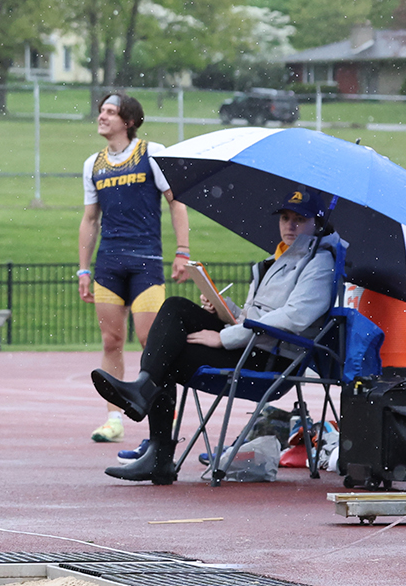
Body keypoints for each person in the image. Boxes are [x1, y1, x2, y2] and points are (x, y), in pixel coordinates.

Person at [91, 188, 341, 485]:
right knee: (176, 309)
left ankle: (156, 447)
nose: (289, 225)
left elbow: (293, 318)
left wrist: (224, 337)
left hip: (272, 361)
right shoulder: (276, 259)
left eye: (300, 219)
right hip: (251, 343)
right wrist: (225, 309)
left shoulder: (320, 262)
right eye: (285, 218)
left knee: (168, 355)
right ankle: (147, 402)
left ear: (318, 223)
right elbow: (254, 316)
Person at [77, 92, 191, 445]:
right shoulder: (92, 164)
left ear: (128, 121)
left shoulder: (151, 153)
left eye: (111, 112)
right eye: (101, 111)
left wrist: (182, 250)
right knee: (111, 341)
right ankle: (113, 419)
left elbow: (177, 204)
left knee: (149, 341)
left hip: (145, 261)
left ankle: (162, 421)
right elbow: (89, 220)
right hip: (109, 264)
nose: (103, 116)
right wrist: (84, 269)